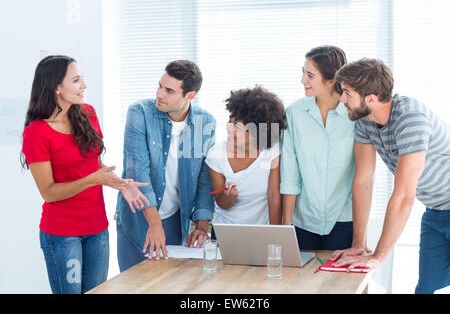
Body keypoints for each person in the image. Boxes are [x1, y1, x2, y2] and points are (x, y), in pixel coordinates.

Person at [21, 55, 144, 294]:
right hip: (62, 234)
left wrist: (119, 184)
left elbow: (96, 166)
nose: (84, 85)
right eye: (76, 80)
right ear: (57, 87)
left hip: (97, 228)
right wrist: (93, 179)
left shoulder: (88, 114)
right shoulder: (36, 132)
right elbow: (49, 193)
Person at [331, 58, 450, 294]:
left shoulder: (411, 118)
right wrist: (359, 245)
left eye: (347, 93)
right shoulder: (365, 120)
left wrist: (377, 257)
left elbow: (404, 196)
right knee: (426, 289)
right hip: (435, 211)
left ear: (371, 98)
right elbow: (363, 181)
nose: (342, 100)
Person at [115, 60, 216, 272]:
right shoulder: (139, 113)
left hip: (173, 219)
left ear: (189, 96)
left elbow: (205, 179)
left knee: (168, 285)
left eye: (169, 90)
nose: (160, 94)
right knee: (132, 285)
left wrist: (201, 225)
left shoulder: (204, 123)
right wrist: (154, 224)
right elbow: (137, 171)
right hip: (137, 218)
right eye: (160, 86)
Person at [280, 46, 356, 251]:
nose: (303, 80)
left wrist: (360, 237)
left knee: (338, 282)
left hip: (344, 220)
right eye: (303, 72)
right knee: (298, 282)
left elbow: (363, 178)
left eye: (310, 75)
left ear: (331, 81)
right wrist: (286, 226)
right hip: (303, 220)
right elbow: (289, 172)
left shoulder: (355, 117)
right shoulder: (294, 113)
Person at [205, 86, 286, 237]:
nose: (229, 129)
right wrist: (228, 197)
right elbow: (221, 203)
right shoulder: (216, 153)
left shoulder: (272, 152)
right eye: (230, 122)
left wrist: (275, 235)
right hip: (225, 233)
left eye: (237, 126)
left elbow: (274, 196)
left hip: (261, 232)